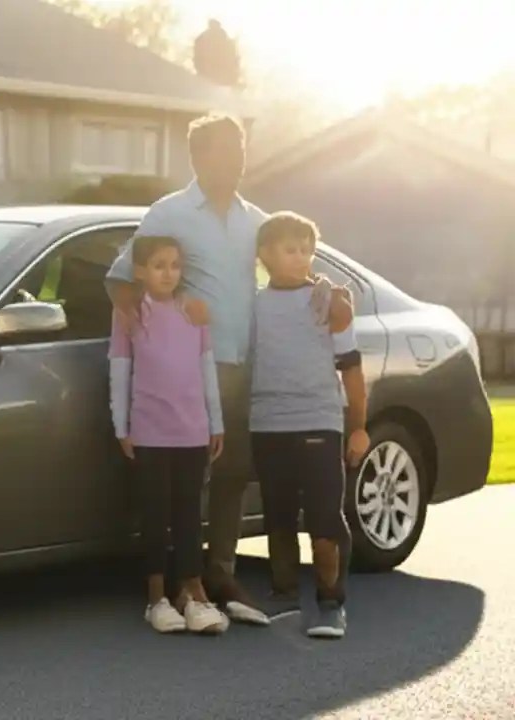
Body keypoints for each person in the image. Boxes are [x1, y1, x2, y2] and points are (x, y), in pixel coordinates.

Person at [105, 113, 274, 626]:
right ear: (198, 158)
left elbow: (289, 267)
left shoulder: (255, 220)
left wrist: (324, 291)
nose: (237, 161)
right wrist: (141, 330)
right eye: (225, 151)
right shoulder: (169, 213)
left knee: (232, 475)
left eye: (241, 150)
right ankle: (183, 582)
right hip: (193, 370)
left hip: (244, 365)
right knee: (188, 484)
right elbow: (121, 279)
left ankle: (219, 573)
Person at [249, 212, 368, 639]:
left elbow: (351, 367)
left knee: (323, 519)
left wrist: (358, 426)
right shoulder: (254, 305)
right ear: (265, 255)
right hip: (267, 426)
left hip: (318, 421)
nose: (301, 258)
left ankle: (330, 604)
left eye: (306, 249)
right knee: (278, 517)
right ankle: (282, 595)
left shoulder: (328, 301)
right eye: (290, 249)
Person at [108, 236, 230, 635]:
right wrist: (121, 425)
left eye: (175, 265)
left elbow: (206, 369)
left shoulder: (193, 312)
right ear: (140, 270)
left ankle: (191, 594)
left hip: (192, 430)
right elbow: (120, 370)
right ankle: (156, 598)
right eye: (159, 265)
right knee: (155, 514)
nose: (168, 273)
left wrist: (216, 422)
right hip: (150, 431)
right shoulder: (129, 315)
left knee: (189, 515)